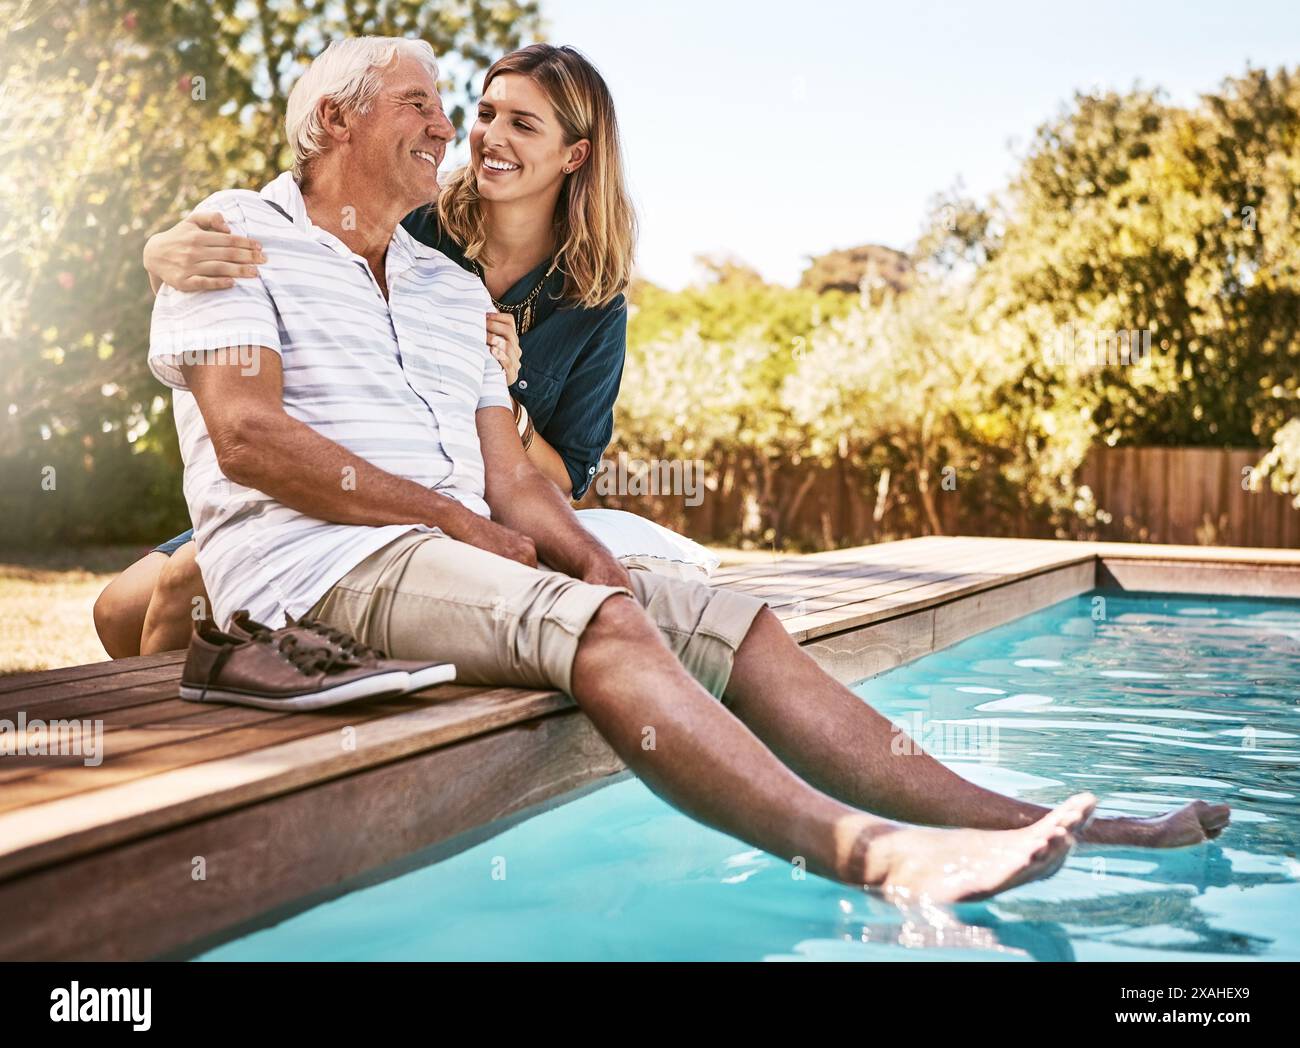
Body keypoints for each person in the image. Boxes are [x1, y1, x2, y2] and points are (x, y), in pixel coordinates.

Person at [144, 36, 1229, 903]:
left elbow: (518, 479)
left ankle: (1005, 818)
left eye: (464, 109)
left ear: (575, 155)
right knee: (602, 625)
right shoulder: (232, 237)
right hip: (324, 563)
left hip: (446, 549)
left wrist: (581, 555)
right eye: (426, 105)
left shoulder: (442, 283)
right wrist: (471, 529)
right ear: (333, 120)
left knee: (724, 617)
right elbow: (248, 439)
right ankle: (878, 856)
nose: (452, 129)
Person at [93, 42, 714, 659]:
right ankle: (191, 720)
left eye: (523, 124)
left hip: (465, 492)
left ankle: (216, 720)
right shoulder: (418, 218)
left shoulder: (594, 302)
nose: (489, 137)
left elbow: (568, 479)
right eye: (487, 114)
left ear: (574, 154)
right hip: (349, 472)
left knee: (187, 584)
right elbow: (290, 234)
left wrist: (505, 404)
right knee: (117, 611)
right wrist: (159, 253)